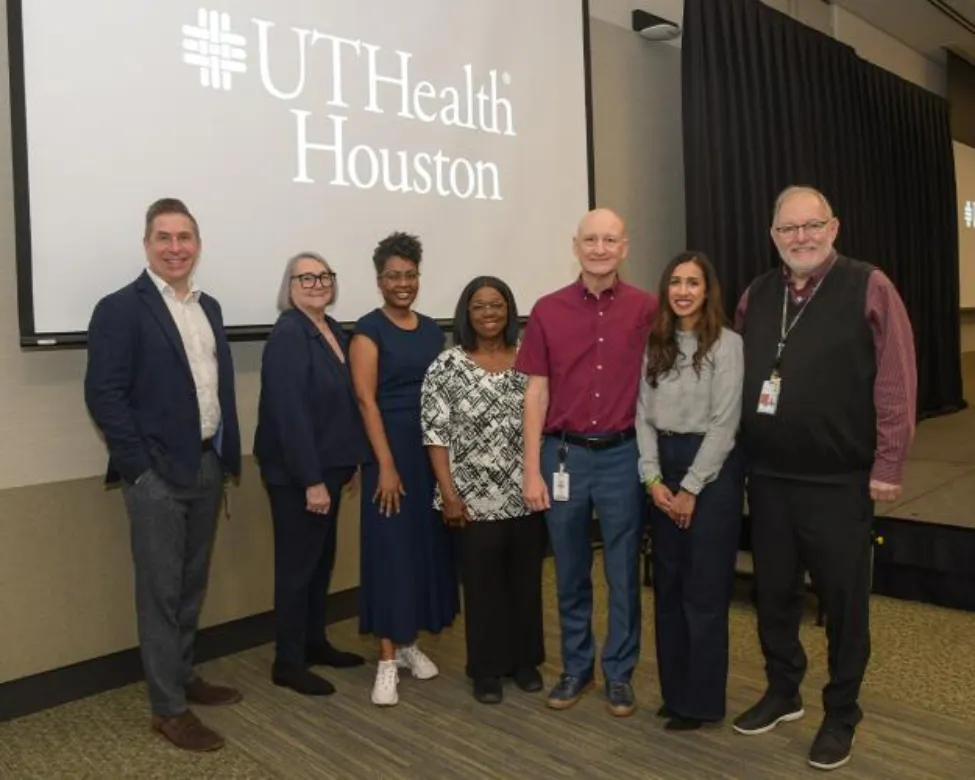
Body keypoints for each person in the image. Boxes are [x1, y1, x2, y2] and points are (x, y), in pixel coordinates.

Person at [732, 186, 917, 771]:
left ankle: (842, 713)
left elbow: (895, 382)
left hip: (839, 482)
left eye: (812, 226)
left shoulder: (870, 286)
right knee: (774, 595)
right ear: (773, 236)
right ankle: (783, 692)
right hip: (768, 478)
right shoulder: (756, 295)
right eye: (789, 229)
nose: (801, 238)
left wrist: (889, 464)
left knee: (842, 603)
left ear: (833, 228)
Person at [84, 198, 242, 752]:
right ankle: (167, 709)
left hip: (204, 462)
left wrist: (225, 455)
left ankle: (182, 674)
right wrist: (139, 471)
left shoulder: (210, 307)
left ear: (197, 244)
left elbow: (215, 388)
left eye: (185, 237)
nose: (176, 247)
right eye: (164, 237)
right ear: (147, 244)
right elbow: (104, 394)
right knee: (159, 591)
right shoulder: (120, 309)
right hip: (155, 474)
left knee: (191, 585)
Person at [516, 208, 657, 716]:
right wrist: (531, 469)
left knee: (622, 572)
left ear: (624, 247)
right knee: (570, 570)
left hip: (623, 456)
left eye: (610, 240)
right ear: (575, 246)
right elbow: (535, 393)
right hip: (563, 457)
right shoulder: (547, 311)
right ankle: (577, 668)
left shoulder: (647, 309)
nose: (600, 248)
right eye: (590, 239)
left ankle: (619, 673)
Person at [421, 276, 545, 705]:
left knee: (526, 582)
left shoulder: (531, 359)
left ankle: (525, 662)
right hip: (471, 499)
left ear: (509, 310)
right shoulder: (446, 365)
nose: (489, 313)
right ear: (466, 314)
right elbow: (435, 434)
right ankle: (487, 669)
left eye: (497, 305)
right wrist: (449, 493)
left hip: (525, 492)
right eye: (479, 306)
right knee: (483, 587)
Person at [635, 251, 744, 732]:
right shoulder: (655, 343)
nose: (682, 290)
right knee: (669, 588)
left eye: (692, 283)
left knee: (703, 592)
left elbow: (724, 425)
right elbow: (641, 414)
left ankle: (701, 702)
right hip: (664, 466)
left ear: (707, 290)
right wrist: (653, 479)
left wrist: (691, 489)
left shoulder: (727, 344)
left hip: (711, 473)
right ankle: (674, 693)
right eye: (675, 281)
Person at [350, 231, 459, 707]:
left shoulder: (433, 331)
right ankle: (387, 660)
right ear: (379, 281)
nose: (402, 283)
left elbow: (442, 398)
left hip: (427, 453)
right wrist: (385, 466)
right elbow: (366, 401)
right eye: (393, 275)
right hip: (389, 454)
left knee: (422, 549)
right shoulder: (368, 331)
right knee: (390, 553)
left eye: (409, 275)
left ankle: (411, 643)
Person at [253, 252, 370, 697]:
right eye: (306, 277)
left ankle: (315, 643)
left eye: (324, 276)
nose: (317, 283)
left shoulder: (330, 329)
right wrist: (312, 480)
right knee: (297, 569)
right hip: (298, 476)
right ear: (289, 286)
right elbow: (290, 414)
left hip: (329, 468)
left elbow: (339, 404)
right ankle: (288, 660)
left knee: (321, 564)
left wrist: (347, 463)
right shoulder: (289, 334)